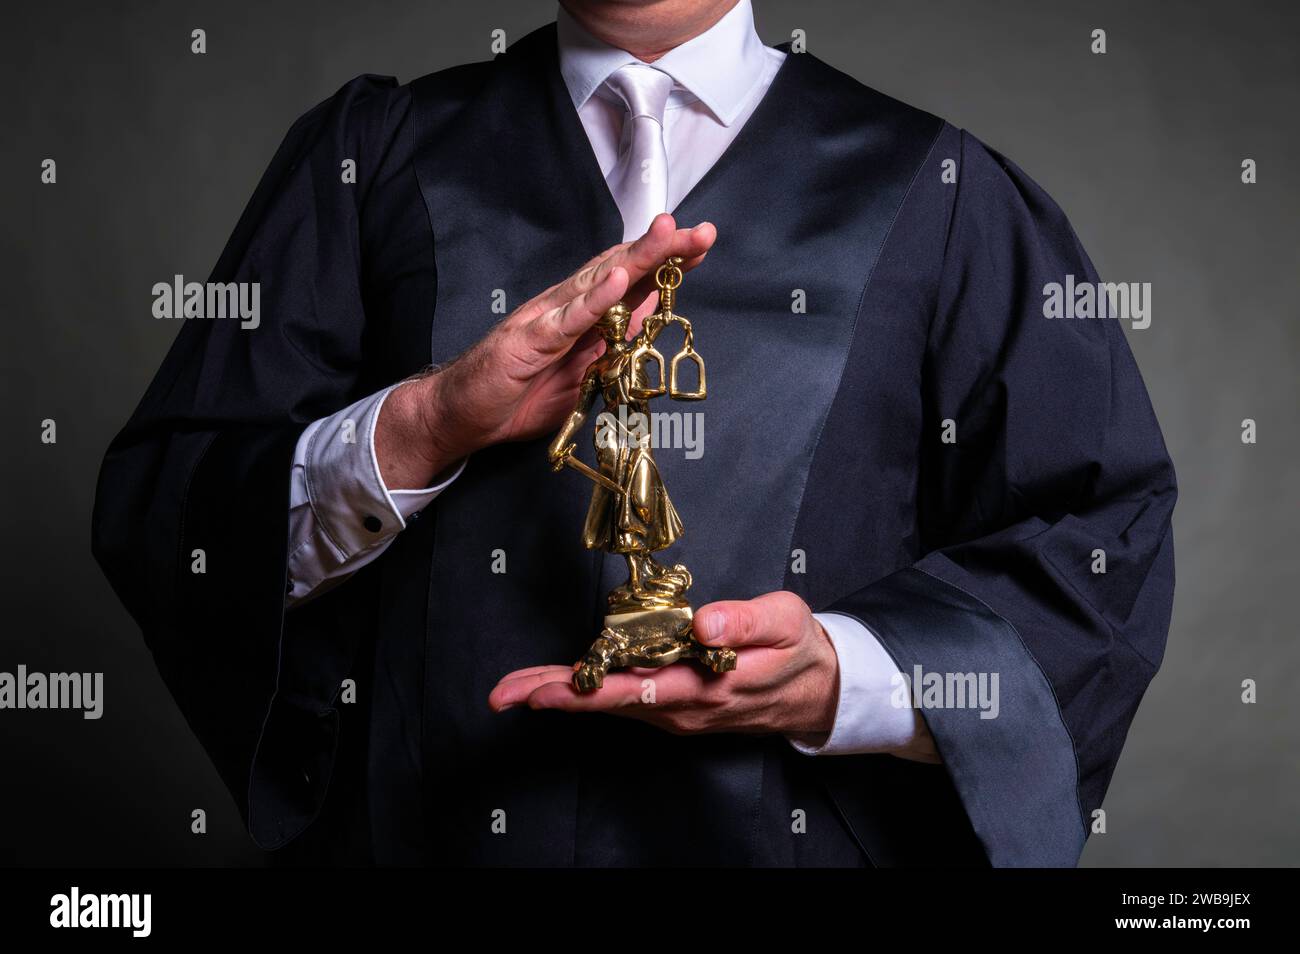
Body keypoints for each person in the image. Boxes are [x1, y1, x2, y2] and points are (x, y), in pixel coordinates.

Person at [93, 0, 1176, 866]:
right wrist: (419, 428)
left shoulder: (939, 194)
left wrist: (844, 677)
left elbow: (1096, 545)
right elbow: (172, 511)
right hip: (426, 838)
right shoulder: (372, 160)